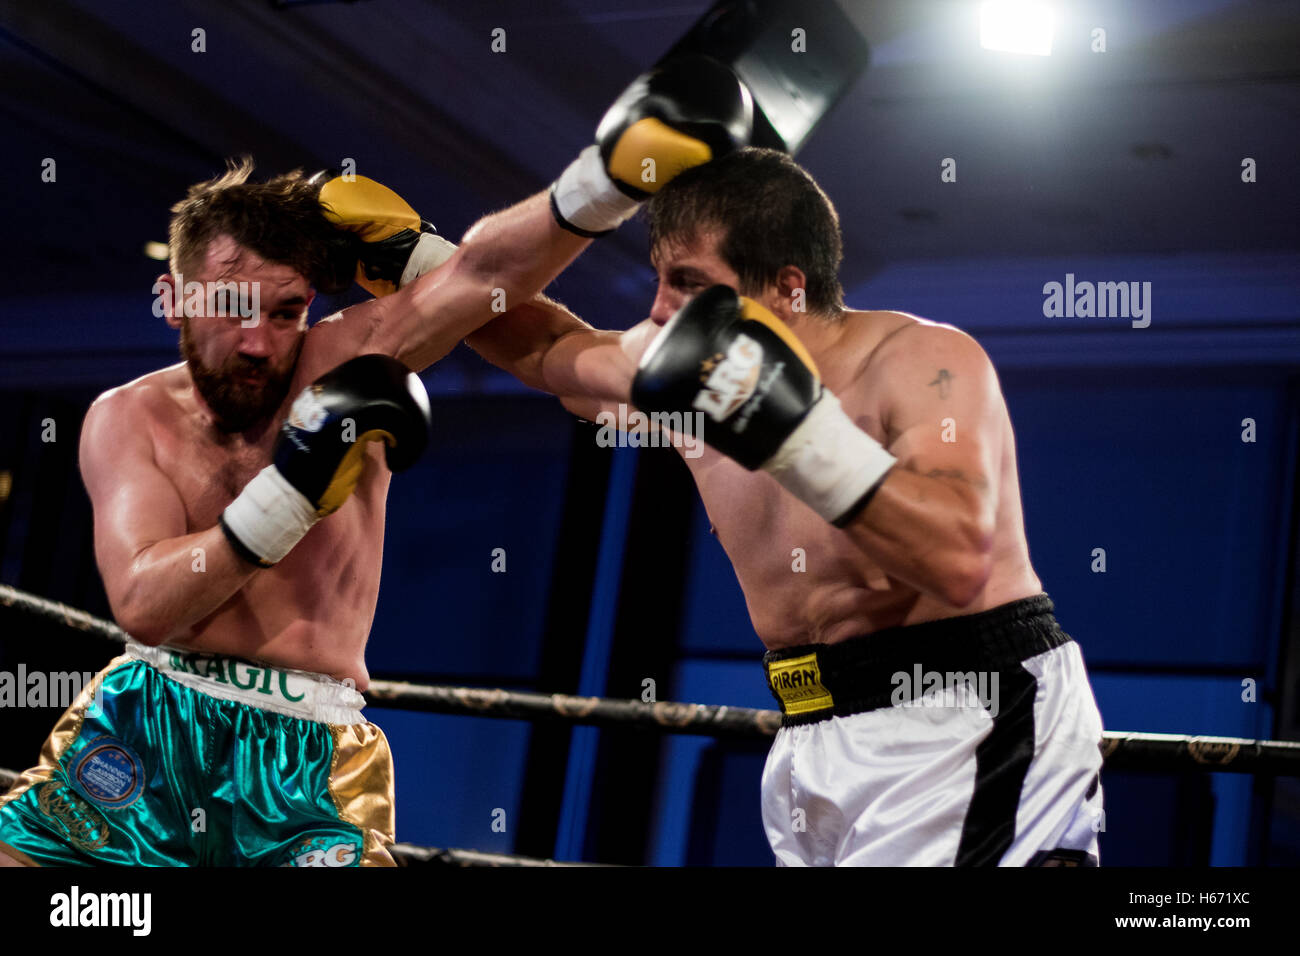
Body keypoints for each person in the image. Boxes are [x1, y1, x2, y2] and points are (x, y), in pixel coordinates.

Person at [0, 56, 752, 867]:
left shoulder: (346, 361)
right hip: (147, 720)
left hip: (307, 762)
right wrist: (293, 488)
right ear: (174, 296)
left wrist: (605, 180)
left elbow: (485, 275)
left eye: (286, 312)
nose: (259, 342)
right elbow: (146, 605)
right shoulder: (128, 418)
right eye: (232, 308)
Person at [500, 147, 1105, 866]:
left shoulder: (924, 360)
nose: (660, 309)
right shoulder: (686, 374)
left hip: (965, 717)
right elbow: (544, 351)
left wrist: (793, 430)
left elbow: (957, 559)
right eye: (662, 278)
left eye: (689, 283)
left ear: (787, 286)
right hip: (810, 729)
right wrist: (418, 263)